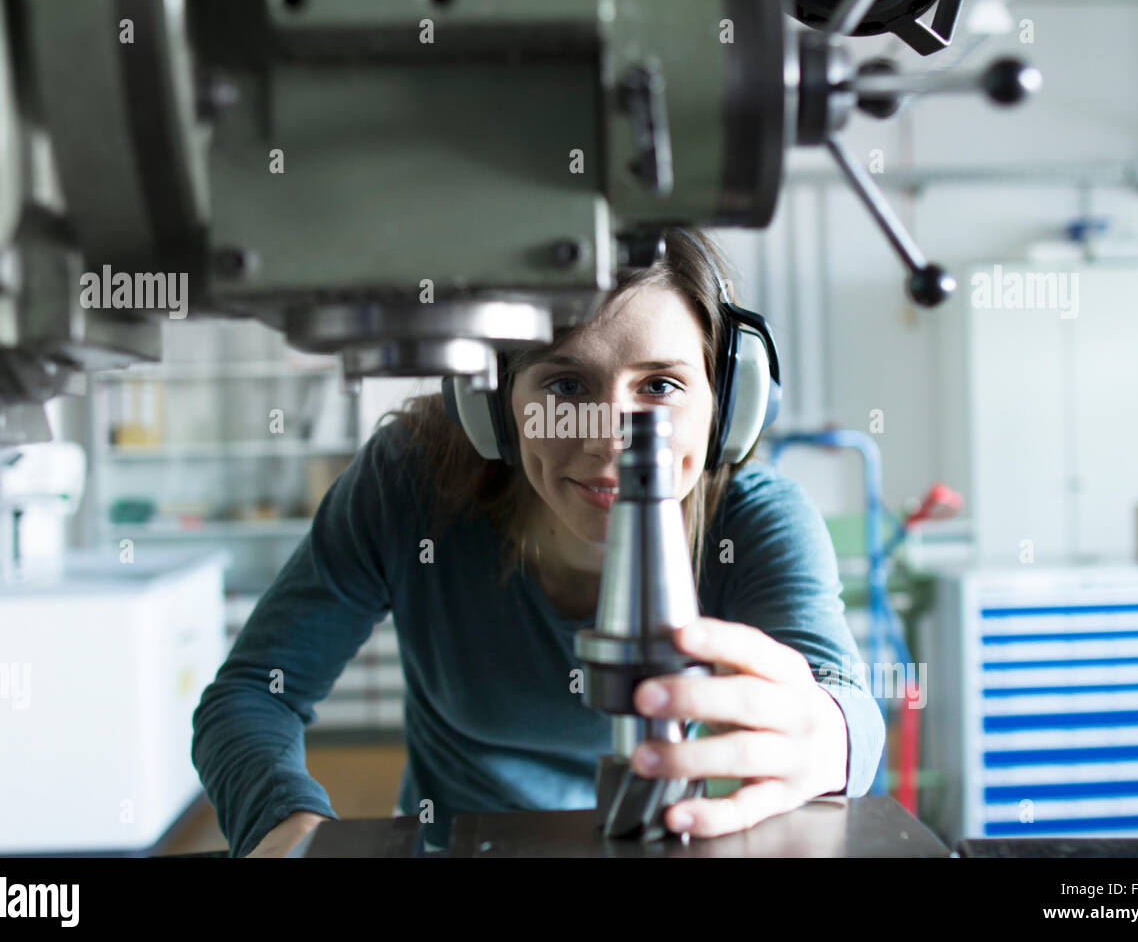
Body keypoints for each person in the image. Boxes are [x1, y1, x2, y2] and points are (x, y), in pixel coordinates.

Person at [191, 229, 885, 858]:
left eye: (662, 385)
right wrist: (291, 833)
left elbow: (846, 706)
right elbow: (253, 692)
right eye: (565, 383)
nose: (612, 439)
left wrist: (832, 736)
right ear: (494, 404)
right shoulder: (411, 481)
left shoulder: (753, 521)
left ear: (729, 404)